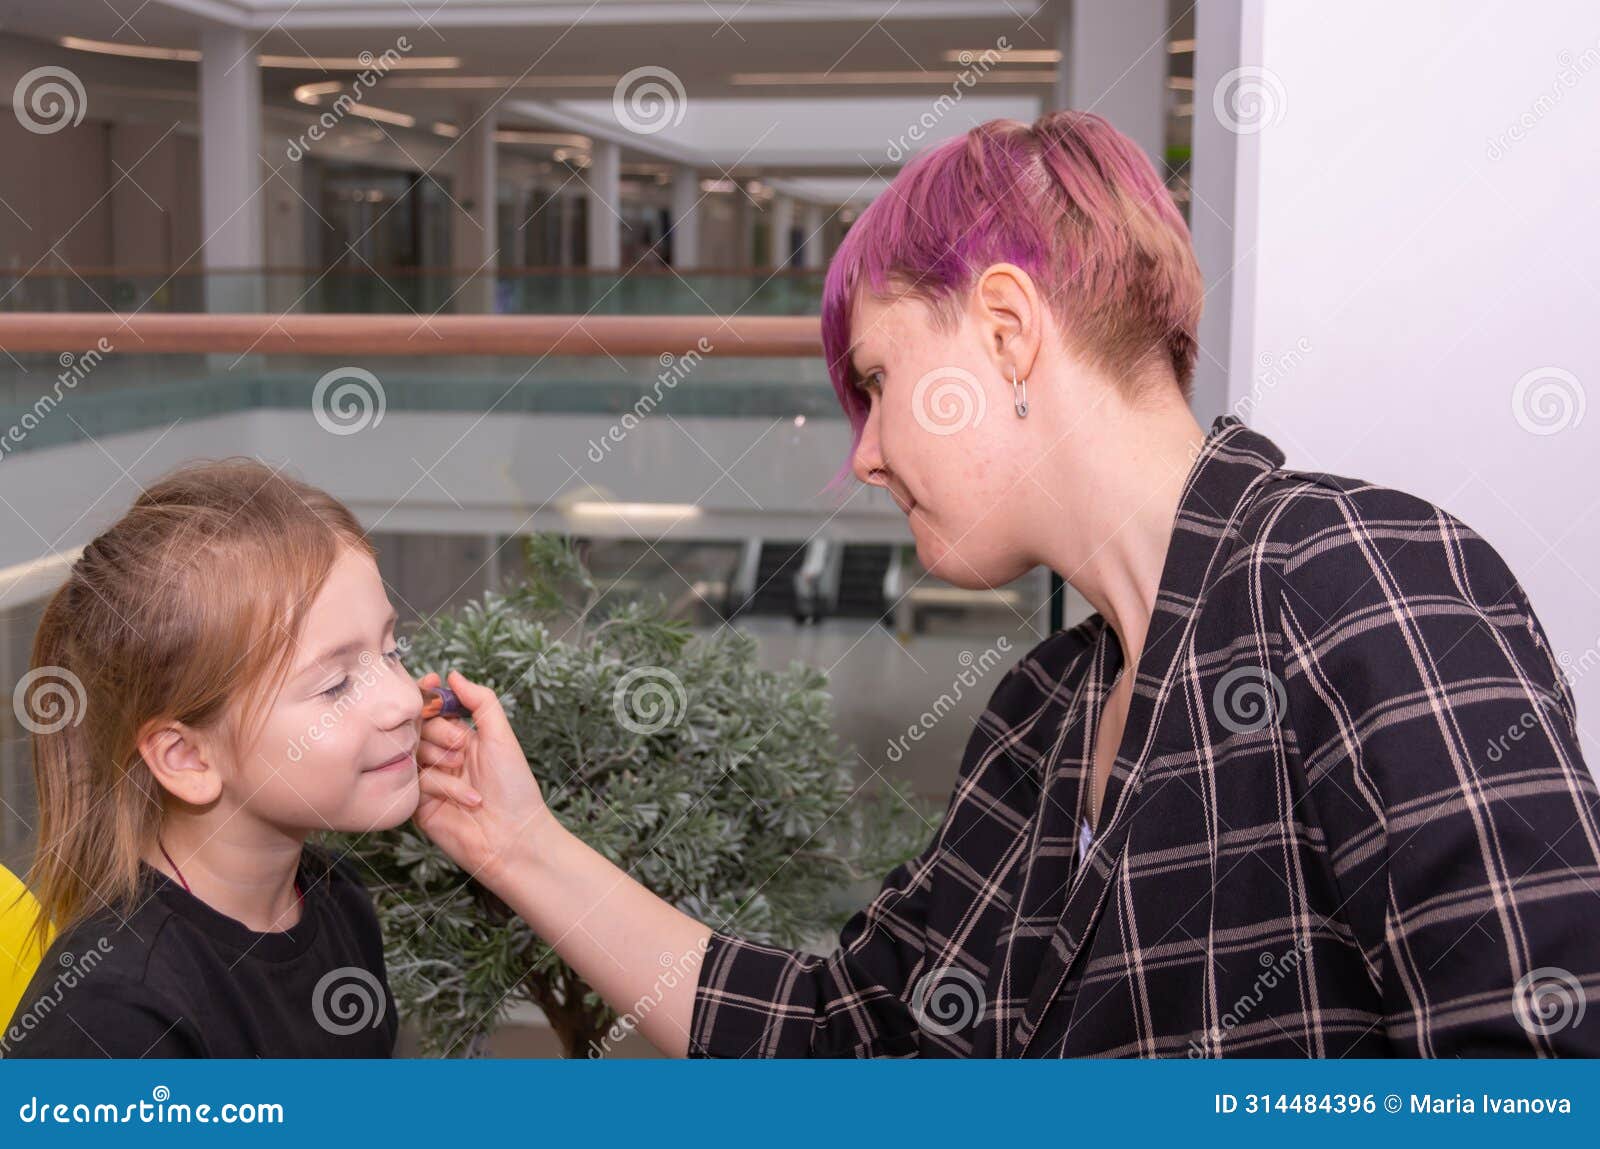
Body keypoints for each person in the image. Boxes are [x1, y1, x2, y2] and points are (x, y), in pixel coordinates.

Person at [411, 110, 1600, 1057]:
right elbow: (842, 1036)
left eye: (876, 381)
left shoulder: (1356, 581)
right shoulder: (1040, 715)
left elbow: (1541, 1070)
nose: (864, 454)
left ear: (1007, 328)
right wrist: (513, 842)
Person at [4, 460, 427, 1058]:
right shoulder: (112, 1017)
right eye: (334, 686)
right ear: (186, 757)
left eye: (391, 650)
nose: (406, 699)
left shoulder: (336, 899)